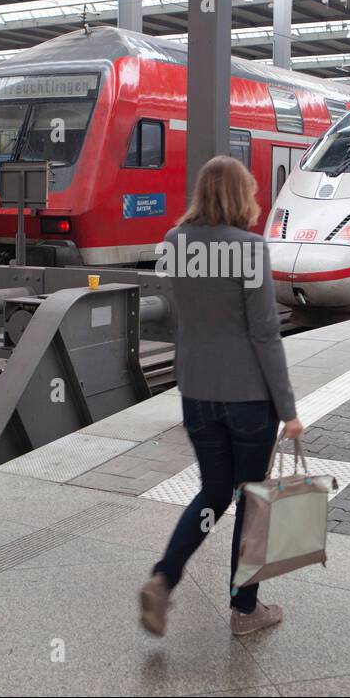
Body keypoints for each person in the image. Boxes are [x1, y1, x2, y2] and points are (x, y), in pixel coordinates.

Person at [140, 156, 302, 639]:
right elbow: (265, 335)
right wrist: (289, 411)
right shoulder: (250, 249)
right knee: (252, 500)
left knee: (213, 492)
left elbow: (185, 313)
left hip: (196, 392)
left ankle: (163, 578)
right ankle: (244, 609)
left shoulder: (173, 243)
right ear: (241, 195)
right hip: (248, 398)